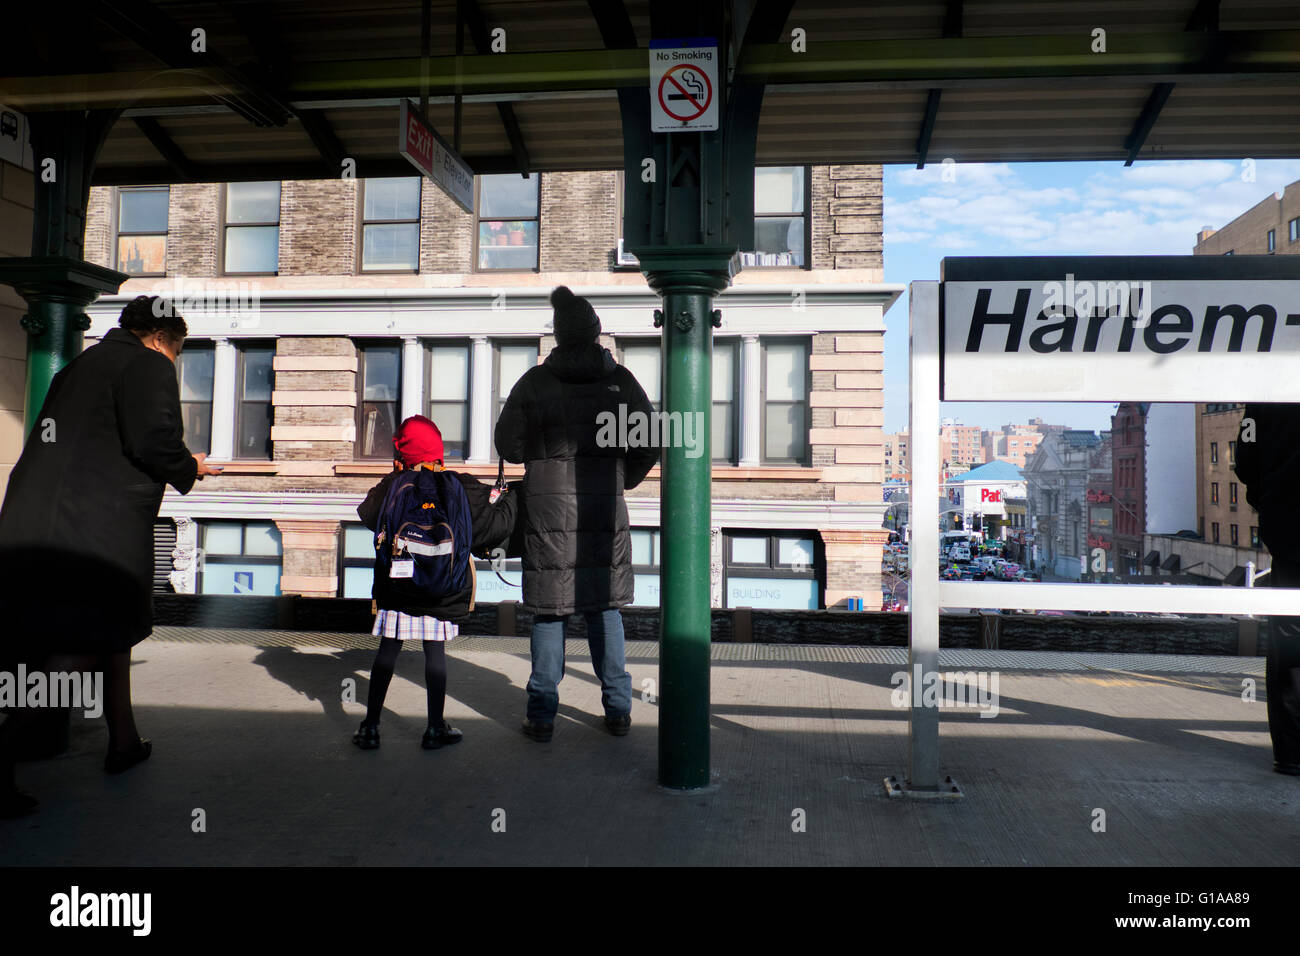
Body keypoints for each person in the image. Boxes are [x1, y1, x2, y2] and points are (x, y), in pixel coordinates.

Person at [0, 295, 221, 818]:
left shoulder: (82, 365)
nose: (175, 363)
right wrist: (191, 466)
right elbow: (151, 441)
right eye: (178, 352)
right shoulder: (146, 363)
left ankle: (123, 741)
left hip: (39, 522)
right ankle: (3, 751)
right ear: (162, 339)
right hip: (98, 526)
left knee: (105, 629)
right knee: (90, 639)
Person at [495, 286, 657, 742]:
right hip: (605, 508)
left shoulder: (534, 383)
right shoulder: (620, 381)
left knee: (550, 612)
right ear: (595, 332)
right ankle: (619, 709)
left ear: (558, 336)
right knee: (605, 608)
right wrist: (621, 478)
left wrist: (540, 463)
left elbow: (508, 445)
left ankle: (542, 716)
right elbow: (650, 439)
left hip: (546, 511)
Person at [353, 415, 515, 750]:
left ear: (403, 452)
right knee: (434, 654)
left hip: (398, 586)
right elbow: (488, 529)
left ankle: (371, 727)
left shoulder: (394, 485)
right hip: (441, 589)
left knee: (388, 650)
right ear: (438, 450)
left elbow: (367, 513)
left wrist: (398, 475)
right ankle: (434, 728)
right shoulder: (460, 486)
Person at [1234, 403, 1300, 776]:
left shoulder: (1268, 394)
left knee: (1289, 642)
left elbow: (1246, 458)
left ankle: (1292, 752)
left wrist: (1268, 497)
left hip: (1289, 532)